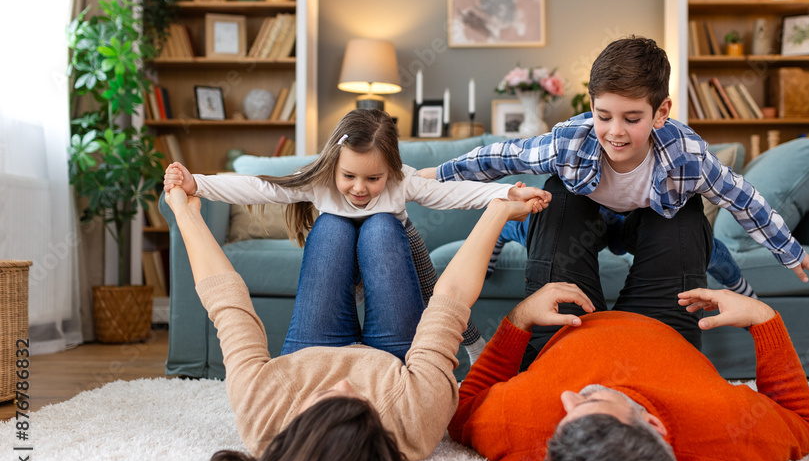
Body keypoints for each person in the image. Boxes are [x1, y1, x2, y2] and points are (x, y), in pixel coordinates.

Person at [420, 36, 809, 365]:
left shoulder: (687, 154)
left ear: (661, 112)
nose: (615, 131)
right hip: (586, 218)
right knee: (549, 200)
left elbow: (742, 198)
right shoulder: (571, 141)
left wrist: (790, 251)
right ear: (592, 107)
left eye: (632, 118)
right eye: (603, 115)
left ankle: (723, 292)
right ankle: (517, 235)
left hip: (649, 221)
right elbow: (501, 157)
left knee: (697, 228)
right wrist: (438, 174)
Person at [164, 184, 544, 461]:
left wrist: (186, 212)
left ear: (294, 425)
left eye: (329, 395)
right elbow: (450, 302)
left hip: (310, 350)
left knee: (332, 226)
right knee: (380, 227)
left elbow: (228, 305)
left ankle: (353, 256)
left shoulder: (263, 407)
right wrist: (499, 208)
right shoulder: (414, 414)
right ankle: (367, 253)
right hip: (394, 363)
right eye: (362, 405)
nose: (346, 384)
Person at [164, 108, 550, 360]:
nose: (359, 189)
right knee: (332, 225)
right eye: (348, 176)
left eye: (373, 178)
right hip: (336, 265)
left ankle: (472, 343)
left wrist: (507, 193)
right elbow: (260, 188)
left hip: (392, 257)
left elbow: (452, 194)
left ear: (392, 172)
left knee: (390, 236)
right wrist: (196, 183)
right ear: (334, 165)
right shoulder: (319, 183)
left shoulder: (402, 183)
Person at [447, 283, 809, 461]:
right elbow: (802, 421)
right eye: (591, 402)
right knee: (678, 214)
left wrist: (521, 318)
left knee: (563, 202)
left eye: (564, 419)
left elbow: (462, 408)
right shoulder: (729, 435)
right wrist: (764, 319)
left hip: (570, 321)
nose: (567, 398)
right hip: (671, 321)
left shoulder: (517, 427)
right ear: (653, 426)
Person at [486, 216, 757, 298]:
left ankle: (741, 290)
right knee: (530, 228)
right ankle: (495, 244)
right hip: (590, 220)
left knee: (705, 247)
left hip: (635, 221)